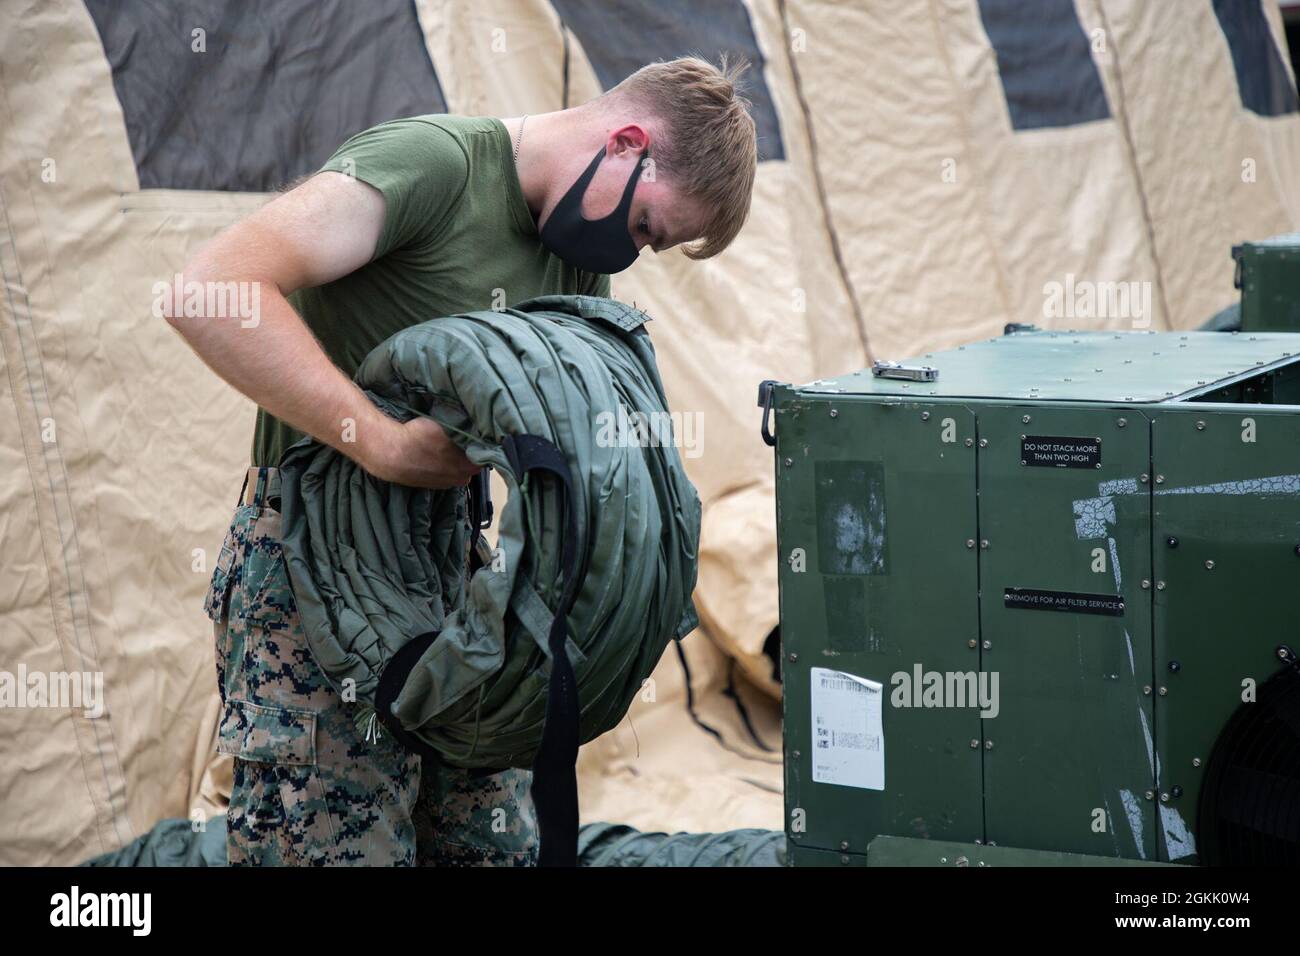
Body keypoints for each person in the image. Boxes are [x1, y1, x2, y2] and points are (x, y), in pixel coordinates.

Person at [164, 56, 758, 866]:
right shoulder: (432, 165)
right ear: (626, 143)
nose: (633, 252)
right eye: (647, 226)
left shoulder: (577, 258)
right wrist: (379, 441)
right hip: (309, 567)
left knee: (490, 850)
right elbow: (209, 290)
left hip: (457, 576)